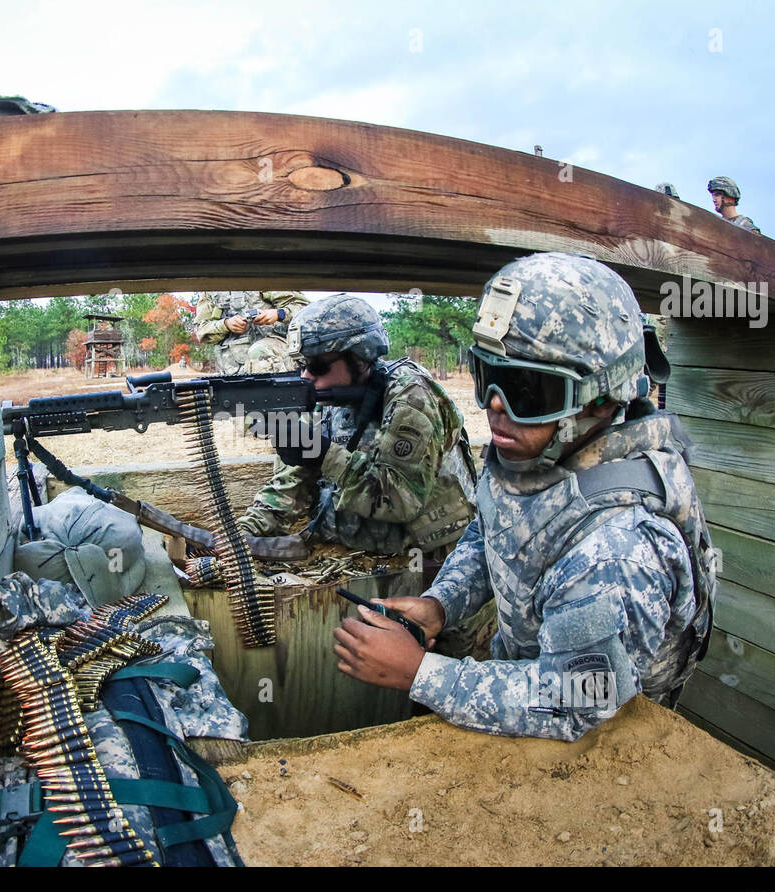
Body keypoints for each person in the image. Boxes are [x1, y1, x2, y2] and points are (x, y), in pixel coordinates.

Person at [332, 253, 719, 741]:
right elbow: (494, 527)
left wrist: (422, 675)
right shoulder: (539, 458)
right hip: (524, 682)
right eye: (486, 376)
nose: (495, 405)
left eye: (525, 390)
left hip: (599, 743)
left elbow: (581, 701)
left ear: (598, 400)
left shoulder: (621, 547)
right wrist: (442, 604)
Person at [236, 294, 477, 556]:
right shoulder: (324, 399)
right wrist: (244, 534)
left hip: (419, 562)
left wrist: (323, 454)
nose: (306, 377)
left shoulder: (411, 396)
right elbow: (289, 485)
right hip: (348, 551)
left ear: (360, 356)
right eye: (302, 365)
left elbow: (401, 499)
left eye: (316, 366)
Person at [193, 291, 310, 374]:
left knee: (259, 350)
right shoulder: (212, 289)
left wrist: (277, 314)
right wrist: (226, 324)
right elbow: (201, 331)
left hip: (276, 362)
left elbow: (306, 310)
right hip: (231, 371)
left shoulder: (266, 277)